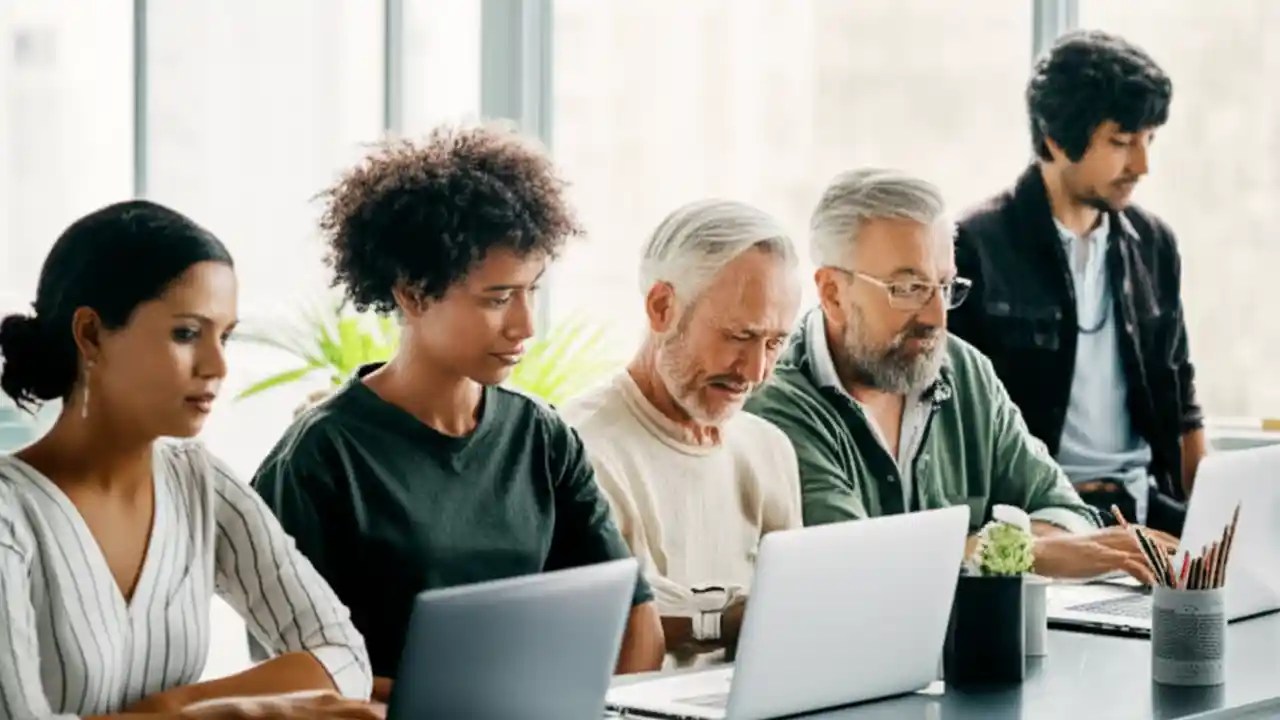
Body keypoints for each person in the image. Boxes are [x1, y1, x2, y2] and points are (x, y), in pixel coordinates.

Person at [251, 126, 665, 700]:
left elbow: (634, 614)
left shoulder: (541, 438)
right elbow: (292, 674)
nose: (525, 326)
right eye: (498, 299)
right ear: (412, 295)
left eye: (532, 291)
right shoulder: (320, 459)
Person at [0, 201, 377, 719]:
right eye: (186, 334)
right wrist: (228, 715)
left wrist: (174, 705)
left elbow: (344, 657)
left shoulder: (201, 484)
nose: (217, 365)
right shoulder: (9, 516)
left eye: (225, 336)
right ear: (90, 334)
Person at [745, 169, 1175, 585]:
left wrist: (1019, 550)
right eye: (908, 288)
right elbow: (862, 567)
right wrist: (1023, 552)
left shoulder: (964, 370)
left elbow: (1064, 510)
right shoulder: (776, 403)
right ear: (833, 294)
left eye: (945, 286)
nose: (935, 317)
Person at [950, 30, 1200, 535]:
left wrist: (1212, 520)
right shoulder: (975, 246)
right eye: (1122, 142)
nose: (1142, 165)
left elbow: (1182, 401)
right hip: (1041, 516)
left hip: (1146, 511)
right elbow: (955, 423)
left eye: (1148, 140)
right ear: (1055, 139)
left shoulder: (1153, 244)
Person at [563, 200, 803, 667]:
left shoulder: (768, 448)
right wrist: (724, 615)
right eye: (738, 336)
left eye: (775, 343)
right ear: (662, 307)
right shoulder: (579, 448)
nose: (755, 372)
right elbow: (611, 615)